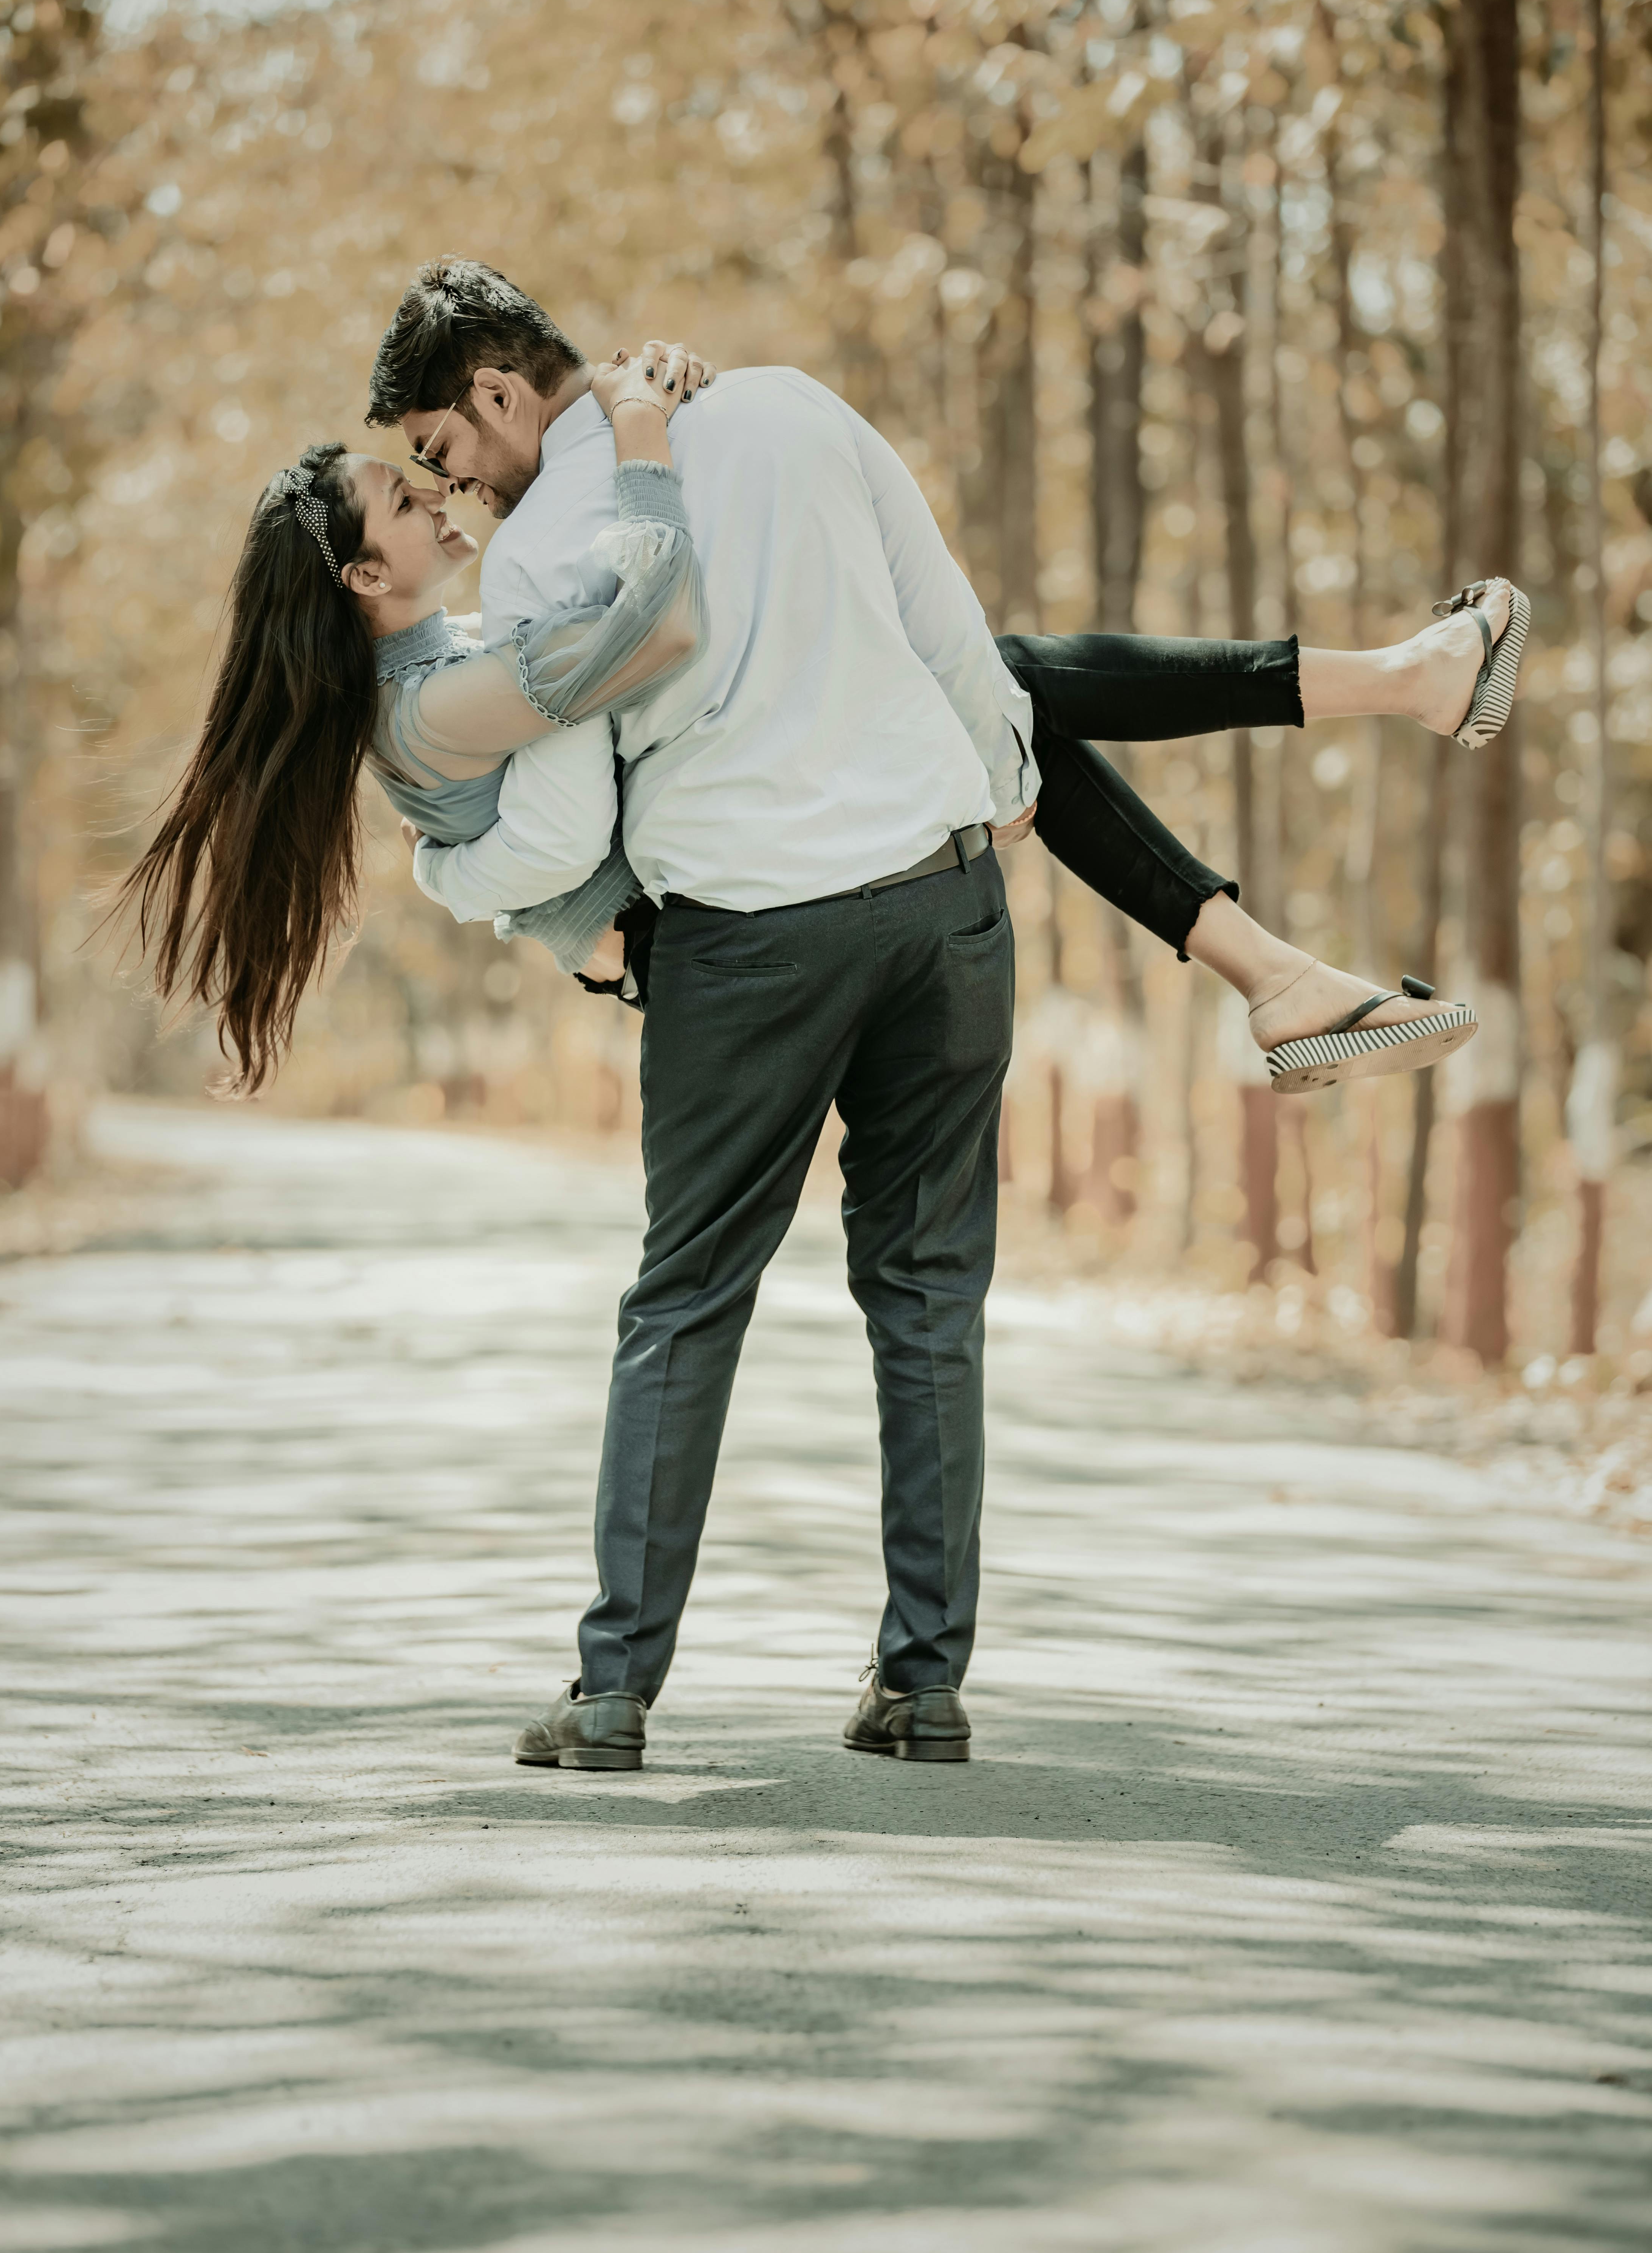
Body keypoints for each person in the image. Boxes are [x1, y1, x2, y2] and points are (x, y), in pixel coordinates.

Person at [365, 258, 1526, 1771]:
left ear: (502, 396)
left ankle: (612, 1693)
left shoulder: (532, 576)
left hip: (746, 947)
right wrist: (995, 804)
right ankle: (921, 1685)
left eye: (447, 453)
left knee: (687, 1303)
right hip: (938, 912)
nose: (452, 491)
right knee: (923, 1296)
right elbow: (960, 642)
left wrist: (471, 866)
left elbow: (573, 827)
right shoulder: (787, 407)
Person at [117, 342, 717, 1091]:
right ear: (367, 575)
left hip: (679, 928)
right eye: (404, 503)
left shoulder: (444, 661)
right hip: (677, 947)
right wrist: (633, 418)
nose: (438, 493)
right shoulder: (429, 709)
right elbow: (648, 629)